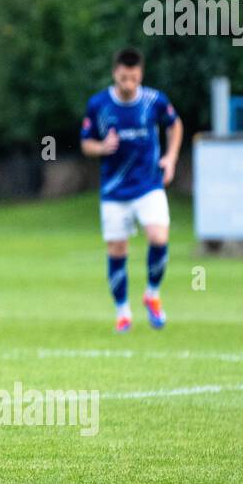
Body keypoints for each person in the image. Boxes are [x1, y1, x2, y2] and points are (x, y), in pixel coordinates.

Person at [80, 46, 182, 332]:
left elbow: (175, 126)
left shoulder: (154, 101)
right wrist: (102, 147)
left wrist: (171, 158)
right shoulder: (98, 104)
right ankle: (123, 311)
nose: (128, 85)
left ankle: (152, 294)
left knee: (159, 237)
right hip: (114, 190)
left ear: (141, 75)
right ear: (115, 73)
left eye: (134, 79)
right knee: (117, 250)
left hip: (149, 184)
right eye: (124, 78)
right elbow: (85, 143)